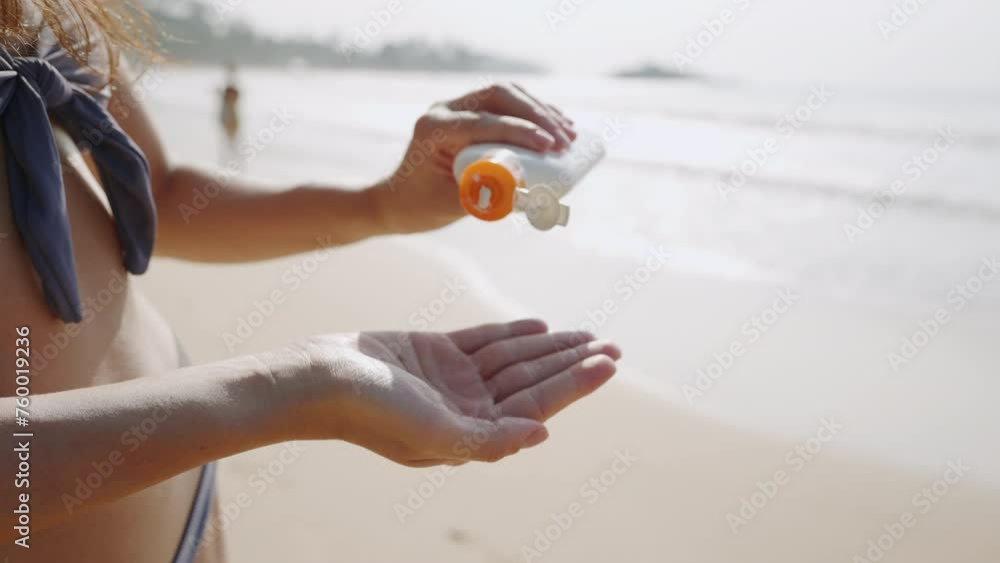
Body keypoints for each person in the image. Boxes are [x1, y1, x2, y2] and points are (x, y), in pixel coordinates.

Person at [0, 2, 622, 563]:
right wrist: (293, 390)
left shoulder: (48, 7)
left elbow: (157, 194)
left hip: (190, 506)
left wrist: (383, 203)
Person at [218, 62, 240, 163]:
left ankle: (230, 158)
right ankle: (229, 159)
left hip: (230, 116)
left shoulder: (231, 90)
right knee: (229, 140)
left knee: (230, 140)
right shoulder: (230, 89)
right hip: (229, 116)